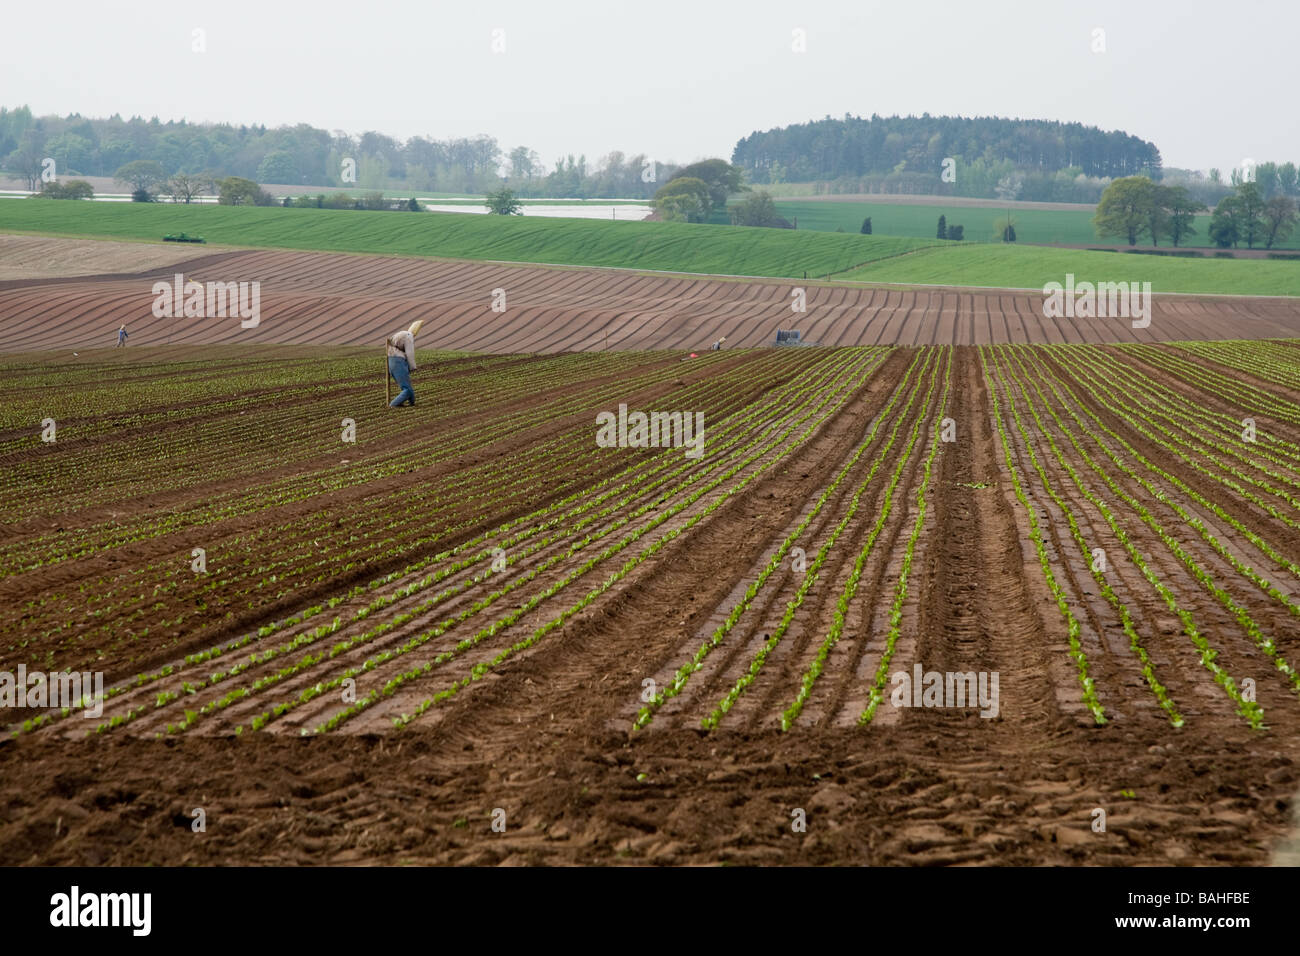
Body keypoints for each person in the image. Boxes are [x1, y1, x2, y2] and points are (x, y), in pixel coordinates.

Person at [387, 323, 419, 407]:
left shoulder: (401, 334)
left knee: (408, 387)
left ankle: (412, 403)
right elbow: (410, 353)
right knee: (407, 389)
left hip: (391, 360)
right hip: (399, 361)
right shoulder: (409, 336)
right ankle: (393, 404)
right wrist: (412, 367)